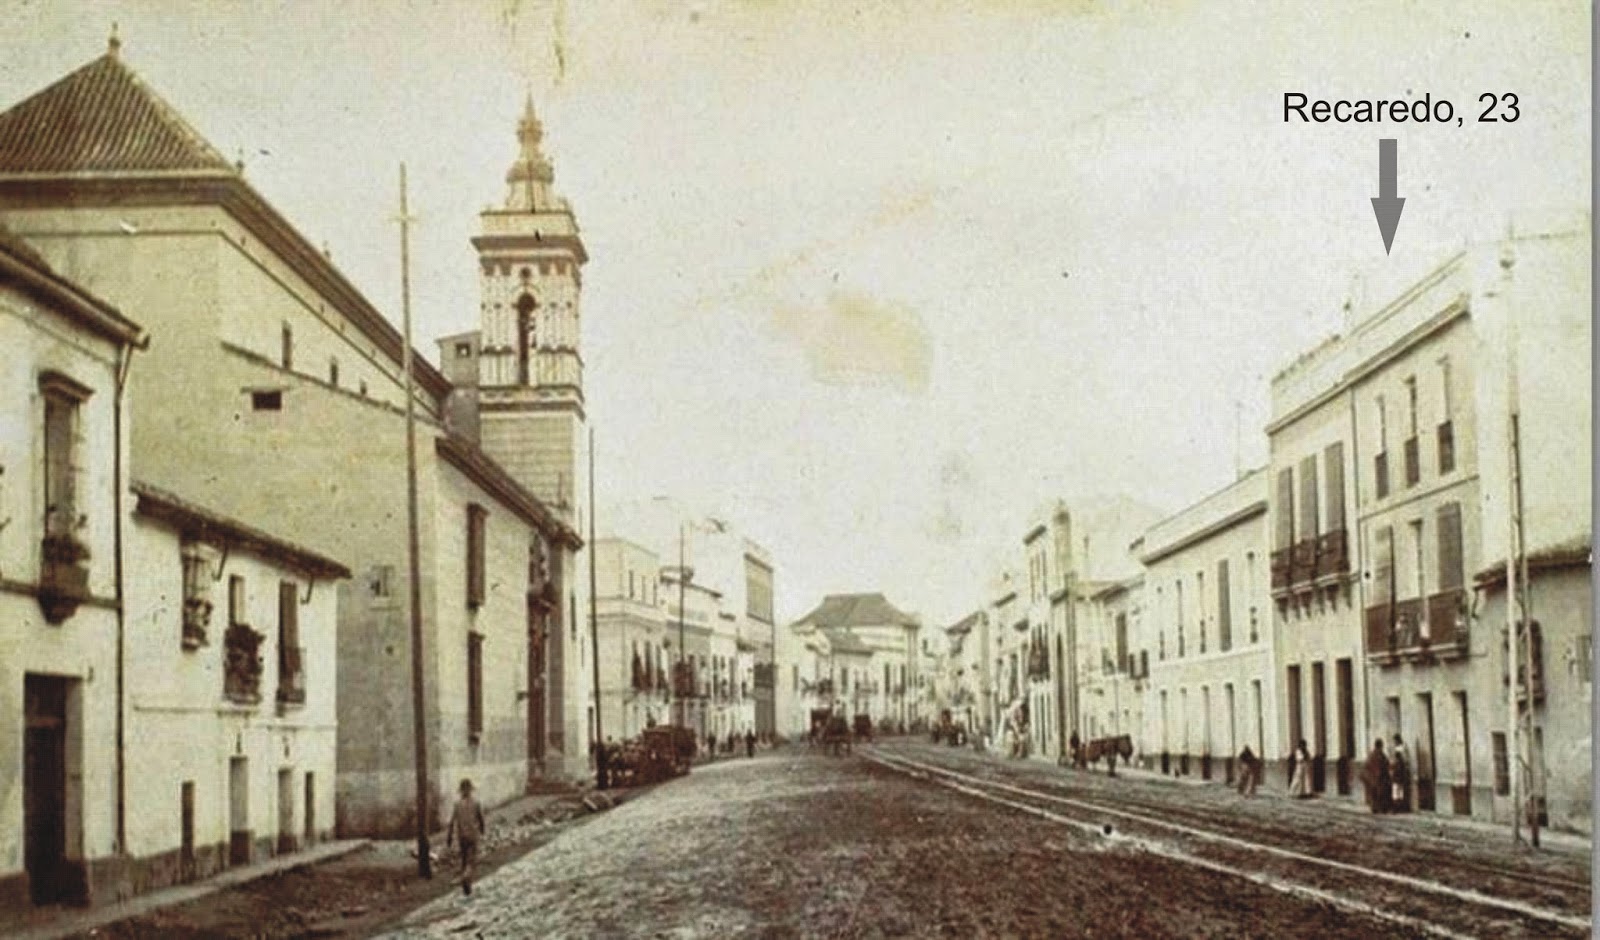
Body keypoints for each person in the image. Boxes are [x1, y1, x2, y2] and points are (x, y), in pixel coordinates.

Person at [446, 778, 486, 896]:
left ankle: (467, 887)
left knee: (464, 860)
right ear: (470, 790)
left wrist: (449, 836)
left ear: (462, 791)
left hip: (461, 836)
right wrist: (482, 830)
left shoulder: (457, 805)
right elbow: (480, 819)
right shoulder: (476, 803)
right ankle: (466, 878)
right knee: (471, 861)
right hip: (473, 835)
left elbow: (452, 822)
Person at [1362, 739, 1391, 814]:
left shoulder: (1372, 754)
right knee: (1379, 793)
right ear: (1380, 746)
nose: (1382, 747)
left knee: (1375, 793)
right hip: (1378, 778)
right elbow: (1385, 764)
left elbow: (1366, 765)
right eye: (1381, 746)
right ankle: (1379, 808)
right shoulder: (1379, 755)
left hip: (1374, 778)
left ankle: (1375, 808)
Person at [1390, 734, 1411, 813]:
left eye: (1395, 741)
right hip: (1399, 774)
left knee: (1398, 791)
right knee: (1398, 791)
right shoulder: (1397, 748)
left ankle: (1399, 807)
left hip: (1399, 774)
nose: (1394, 742)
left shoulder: (1402, 748)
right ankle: (1398, 806)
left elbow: (1405, 759)